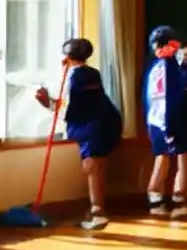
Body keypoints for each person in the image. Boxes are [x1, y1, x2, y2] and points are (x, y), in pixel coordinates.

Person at [35, 38, 122, 230]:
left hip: (93, 127)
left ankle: (97, 212)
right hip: (108, 122)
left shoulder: (73, 78)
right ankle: (96, 210)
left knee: (92, 168)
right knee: (95, 168)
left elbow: (68, 108)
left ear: (67, 57)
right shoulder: (91, 73)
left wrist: (46, 102)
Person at [145, 26, 187, 218]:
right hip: (168, 121)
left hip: (161, 121)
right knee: (170, 158)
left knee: (169, 158)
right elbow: (176, 93)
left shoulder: (157, 67)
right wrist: (186, 64)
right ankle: (163, 198)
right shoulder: (168, 67)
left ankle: (168, 199)